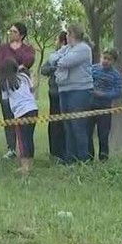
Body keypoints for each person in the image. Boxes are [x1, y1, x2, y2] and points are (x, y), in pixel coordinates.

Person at [43, 23, 95, 164]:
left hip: (79, 91)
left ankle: (83, 158)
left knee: (78, 125)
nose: (66, 36)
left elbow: (65, 62)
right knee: (68, 126)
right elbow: (52, 57)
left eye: (68, 33)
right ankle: (70, 158)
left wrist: (58, 60)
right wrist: (58, 59)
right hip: (64, 89)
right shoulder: (67, 48)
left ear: (73, 34)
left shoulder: (83, 48)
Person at [0, 22, 36, 159]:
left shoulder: (28, 49)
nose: (11, 34)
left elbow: (29, 60)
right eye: (10, 31)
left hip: (20, 87)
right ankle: (11, 148)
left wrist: (12, 64)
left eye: (14, 31)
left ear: (21, 34)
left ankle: (25, 149)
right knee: (8, 116)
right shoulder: (2, 48)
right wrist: (16, 64)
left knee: (23, 121)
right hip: (5, 86)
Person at [0, 60, 39, 175]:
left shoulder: (5, 83)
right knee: (29, 138)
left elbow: (5, 100)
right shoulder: (24, 77)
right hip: (33, 109)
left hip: (21, 113)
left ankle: (24, 167)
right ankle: (30, 164)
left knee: (22, 140)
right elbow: (32, 89)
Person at [89, 48, 122, 161]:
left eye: (109, 59)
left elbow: (117, 92)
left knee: (103, 135)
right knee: (88, 133)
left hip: (105, 108)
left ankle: (104, 159)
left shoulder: (116, 75)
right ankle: (89, 157)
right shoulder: (93, 69)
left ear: (113, 61)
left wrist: (103, 94)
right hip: (90, 106)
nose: (105, 61)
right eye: (104, 58)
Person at [41, 30, 67, 161]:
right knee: (53, 123)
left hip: (66, 93)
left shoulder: (70, 55)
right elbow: (43, 69)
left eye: (57, 40)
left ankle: (64, 152)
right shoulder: (53, 56)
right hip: (53, 93)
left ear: (63, 41)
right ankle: (54, 152)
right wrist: (53, 68)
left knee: (64, 124)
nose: (55, 42)